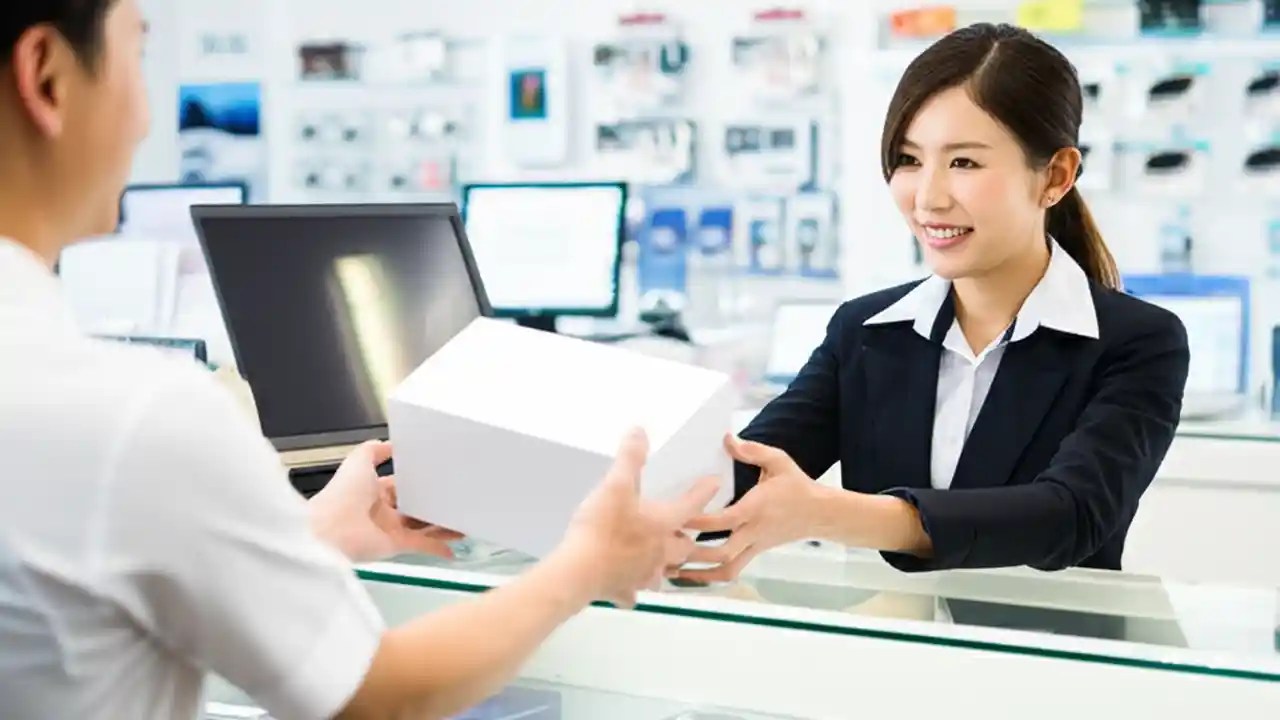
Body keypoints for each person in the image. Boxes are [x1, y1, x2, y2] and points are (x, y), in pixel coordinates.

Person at [0, 2, 719, 719]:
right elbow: (381, 699)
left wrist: (316, 538)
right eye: (138, 57)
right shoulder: (137, 420)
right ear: (48, 77)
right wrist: (587, 565)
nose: (147, 119)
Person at [680, 23, 1190, 582]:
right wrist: (638, 497)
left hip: (1047, 658)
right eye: (908, 159)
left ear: (1055, 176)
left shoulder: (1137, 341)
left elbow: (1069, 516)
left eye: (964, 163)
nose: (928, 198)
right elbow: (748, 472)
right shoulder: (866, 331)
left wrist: (834, 514)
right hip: (892, 653)